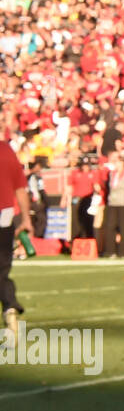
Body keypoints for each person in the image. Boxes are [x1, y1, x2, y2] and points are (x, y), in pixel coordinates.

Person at [1, 140, 33, 343]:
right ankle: (10, 305)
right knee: (2, 269)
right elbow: (20, 187)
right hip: (4, 215)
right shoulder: (6, 150)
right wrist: (26, 218)